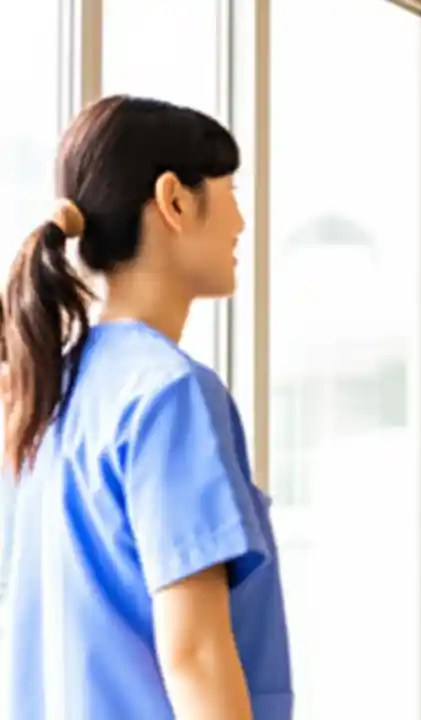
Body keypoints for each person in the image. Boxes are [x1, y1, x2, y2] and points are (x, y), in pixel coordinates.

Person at [0, 96, 292, 719]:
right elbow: (195, 656)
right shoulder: (167, 394)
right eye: (229, 188)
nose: (240, 220)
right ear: (175, 200)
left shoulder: (46, 395)